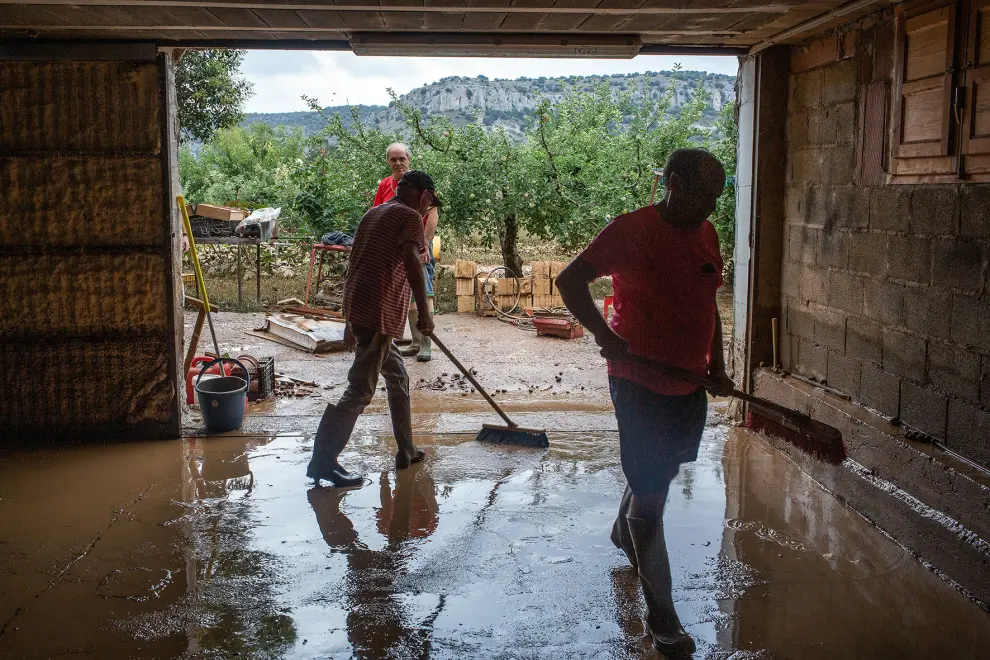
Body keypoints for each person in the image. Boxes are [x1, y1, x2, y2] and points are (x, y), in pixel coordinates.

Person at [555, 148, 734, 658]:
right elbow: (569, 280)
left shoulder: (705, 233)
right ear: (673, 183)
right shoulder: (631, 230)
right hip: (638, 381)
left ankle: (622, 529)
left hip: (687, 382)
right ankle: (663, 618)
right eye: (702, 195)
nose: (710, 207)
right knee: (652, 497)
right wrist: (603, 336)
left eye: (716, 198)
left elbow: (707, 302)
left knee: (659, 473)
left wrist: (717, 366)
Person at [307, 171, 441, 488]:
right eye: (430, 203)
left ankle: (406, 450)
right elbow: (412, 260)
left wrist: (349, 318)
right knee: (360, 390)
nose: (428, 209)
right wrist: (424, 314)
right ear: (424, 196)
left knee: (398, 377)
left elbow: (355, 263)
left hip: (362, 308)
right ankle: (323, 461)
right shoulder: (410, 216)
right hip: (378, 313)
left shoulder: (374, 213)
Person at [373, 142, 439, 362]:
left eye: (402, 158)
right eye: (393, 159)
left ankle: (426, 345)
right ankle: (415, 342)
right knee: (407, 295)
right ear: (387, 162)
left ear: (409, 159)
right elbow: (377, 212)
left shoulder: (420, 182)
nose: (398, 163)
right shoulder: (385, 185)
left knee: (424, 290)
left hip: (419, 243)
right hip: (396, 248)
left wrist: (425, 244)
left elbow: (432, 215)